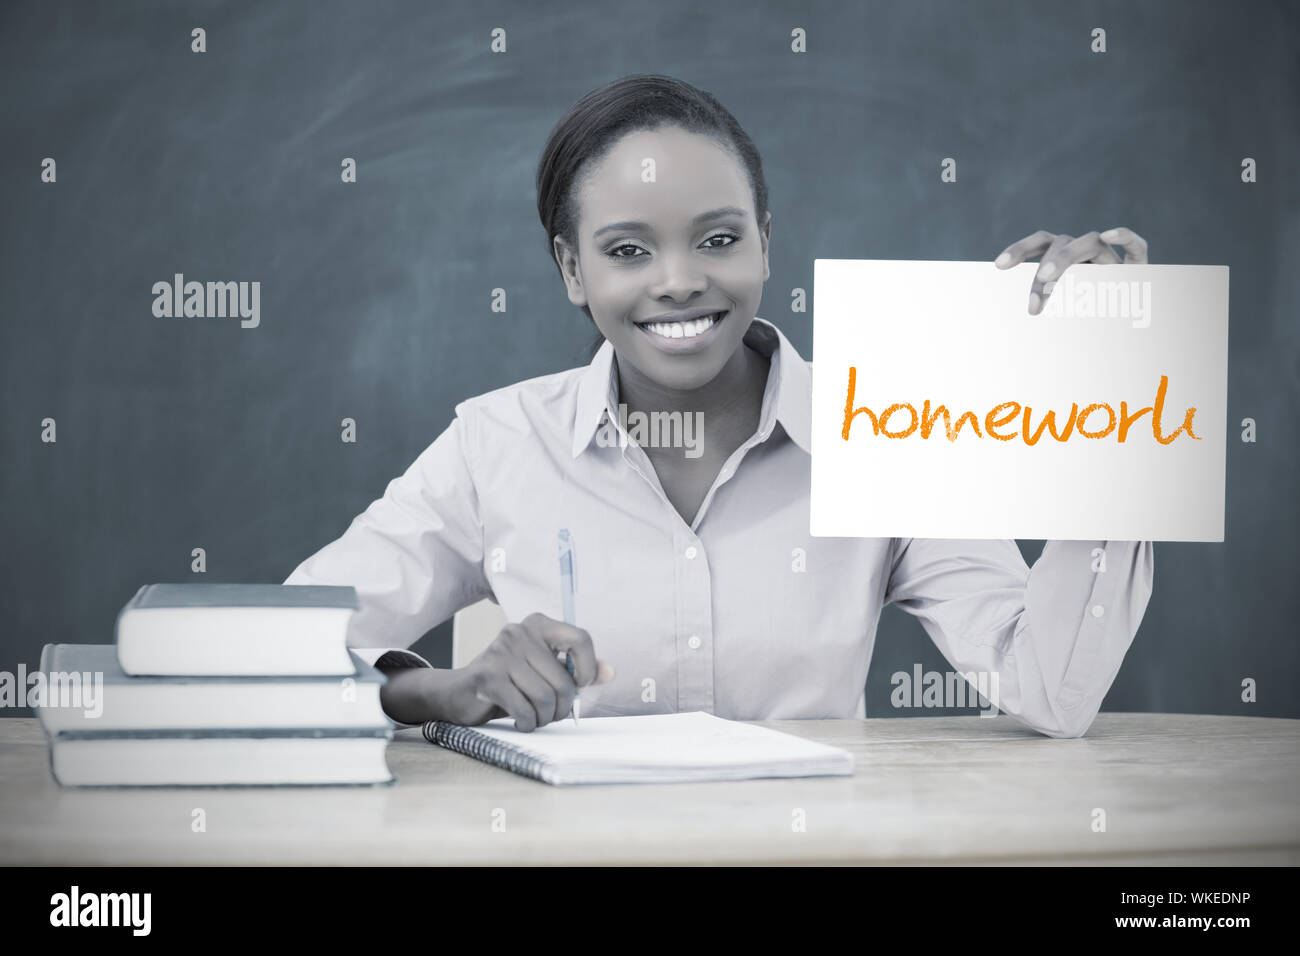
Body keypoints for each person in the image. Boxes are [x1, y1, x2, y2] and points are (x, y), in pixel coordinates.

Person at [284, 74, 1154, 737]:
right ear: (571, 271)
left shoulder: (884, 429)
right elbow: (279, 653)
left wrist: (1097, 411)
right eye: (628, 249)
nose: (680, 281)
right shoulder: (498, 444)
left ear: (766, 242)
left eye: (719, 238)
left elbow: (1047, 689)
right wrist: (434, 687)